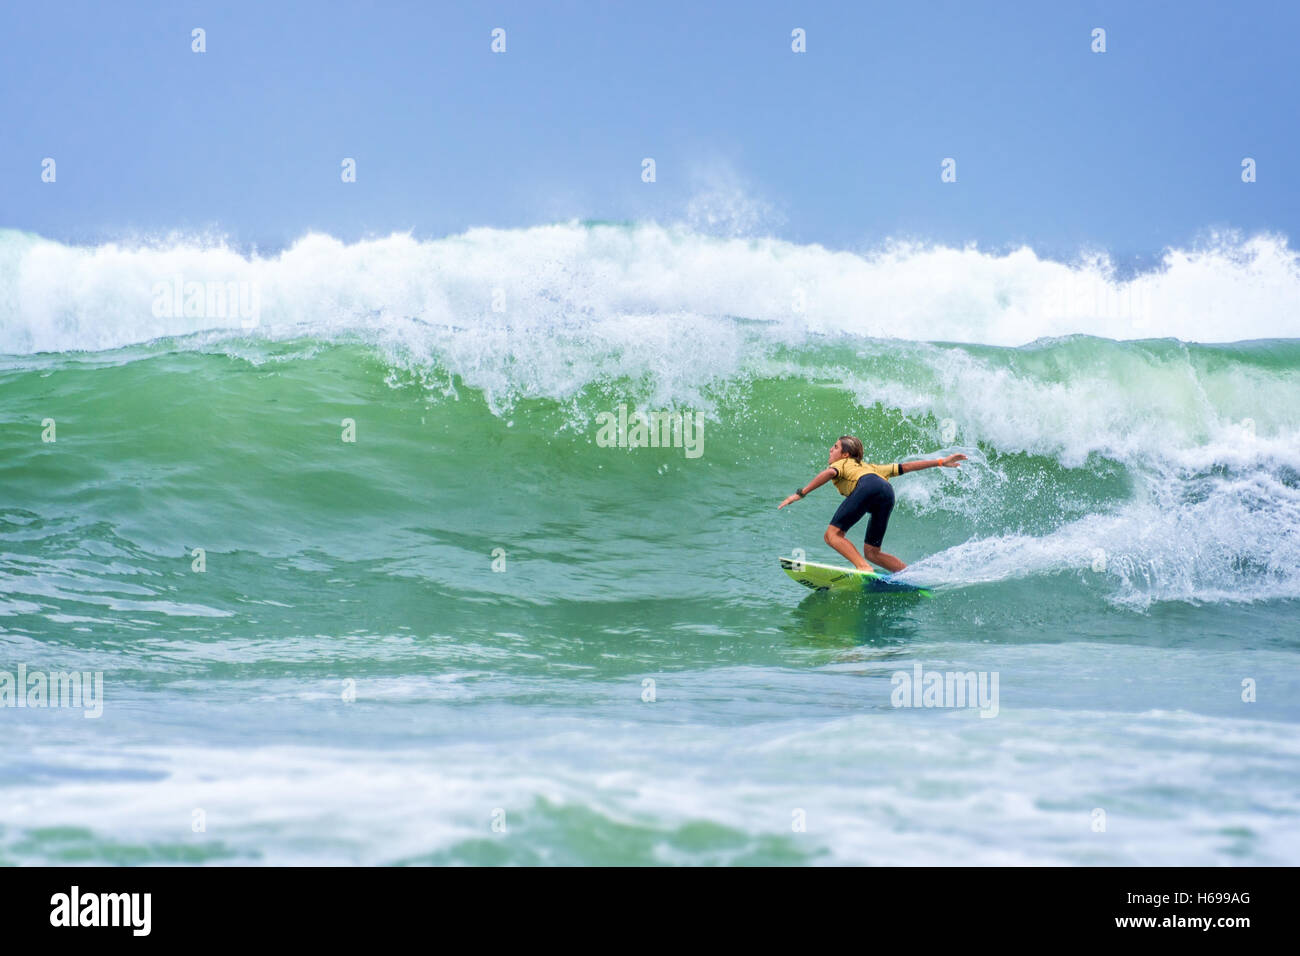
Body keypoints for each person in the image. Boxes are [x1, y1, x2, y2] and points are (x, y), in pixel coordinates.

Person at [779, 436, 966, 573]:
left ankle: (863, 568)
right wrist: (941, 462)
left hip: (867, 486)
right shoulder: (871, 467)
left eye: (835, 447)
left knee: (832, 535)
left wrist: (801, 493)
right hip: (886, 492)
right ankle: (910, 574)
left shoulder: (843, 463)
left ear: (845, 454)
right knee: (873, 552)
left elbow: (828, 474)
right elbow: (905, 467)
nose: (830, 449)